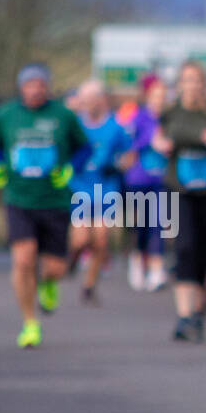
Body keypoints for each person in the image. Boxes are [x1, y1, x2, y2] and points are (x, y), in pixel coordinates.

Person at [0, 62, 91, 348]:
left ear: (47, 87)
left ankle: (48, 283)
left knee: (55, 268)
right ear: (21, 87)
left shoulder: (64, 116)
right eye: (29, 85)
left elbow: (85, 148)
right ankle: (30, 323)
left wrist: (70, 168)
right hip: (19, 198)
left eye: (40, 85)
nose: (35, 90)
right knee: (23, 259)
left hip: (54, 201)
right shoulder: (6, 114)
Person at [152, 60, 206, 342]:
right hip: (179, 190)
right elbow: (157, 137)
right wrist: (160, 145)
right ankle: (184, 316)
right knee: (184, 247)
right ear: (179, 85)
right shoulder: (171, 113)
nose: (191, 86)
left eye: (196, 81)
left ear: (204, 85)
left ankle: (201, 306)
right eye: (186, 80)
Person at [68, 79, 131, 305]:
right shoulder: (75, 125)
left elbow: (129, 154)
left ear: (100, 100)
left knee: (102, 240)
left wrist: (120, 164)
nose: (86, 104)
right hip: (80, 187)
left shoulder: (115, 126)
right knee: (81, 238)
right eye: (82, 100)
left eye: (90, 100)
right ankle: (72, 259)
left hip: (107, 188)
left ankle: (89, 285)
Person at [122, 73, 171, 292]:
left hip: (164, 179)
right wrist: (150, 140)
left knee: (159, 224)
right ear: (148, 96)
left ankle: (156, 269)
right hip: (139, 179)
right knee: (142, 226)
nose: (160, 99)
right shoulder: (139, 118)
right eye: (156, 95)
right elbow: (129, 145)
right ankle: (137, 260)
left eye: (163, 95)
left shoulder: (170, 118)